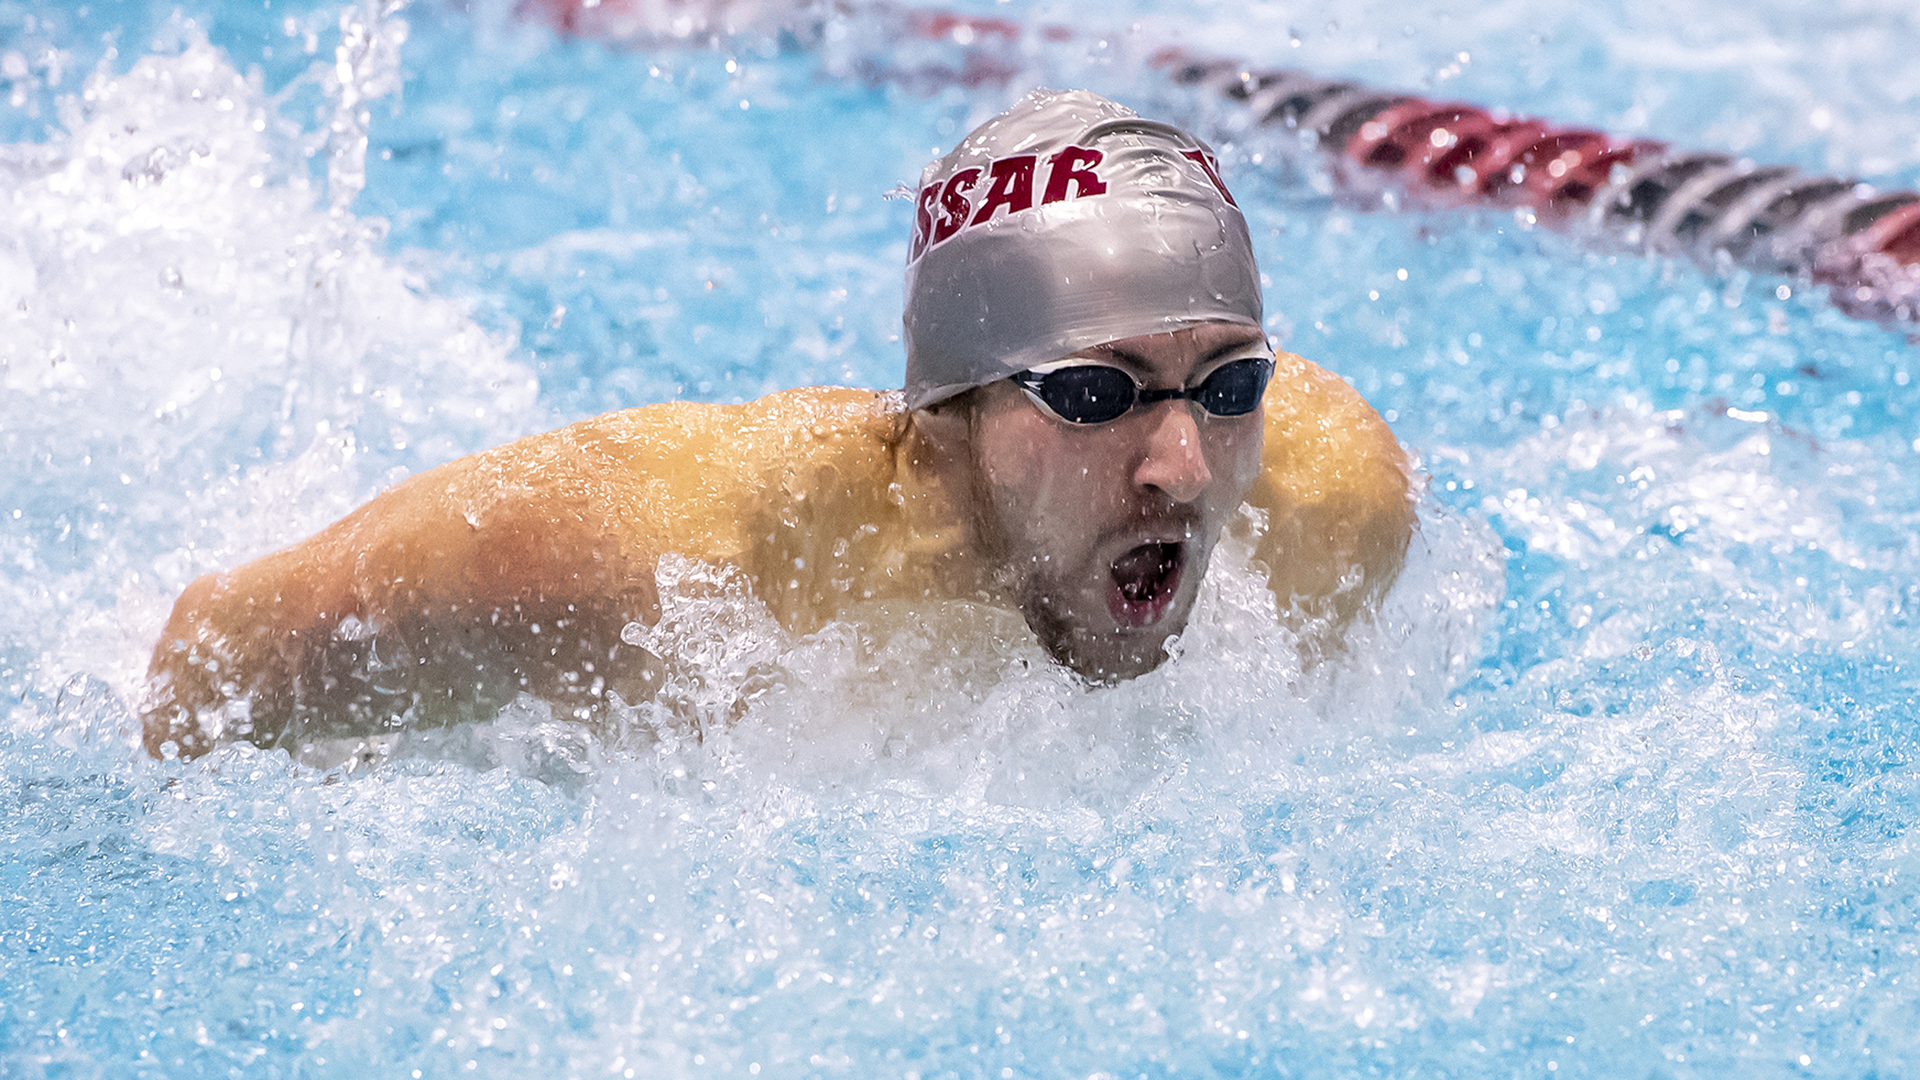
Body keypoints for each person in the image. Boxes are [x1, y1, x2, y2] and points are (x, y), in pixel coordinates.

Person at [140, 89, 1415, 761]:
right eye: (1093, 393)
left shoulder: (1329, 513)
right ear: (951, 414)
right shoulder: (659, 556)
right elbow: (201, 675)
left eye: (1231, 383)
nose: (1184, 467)